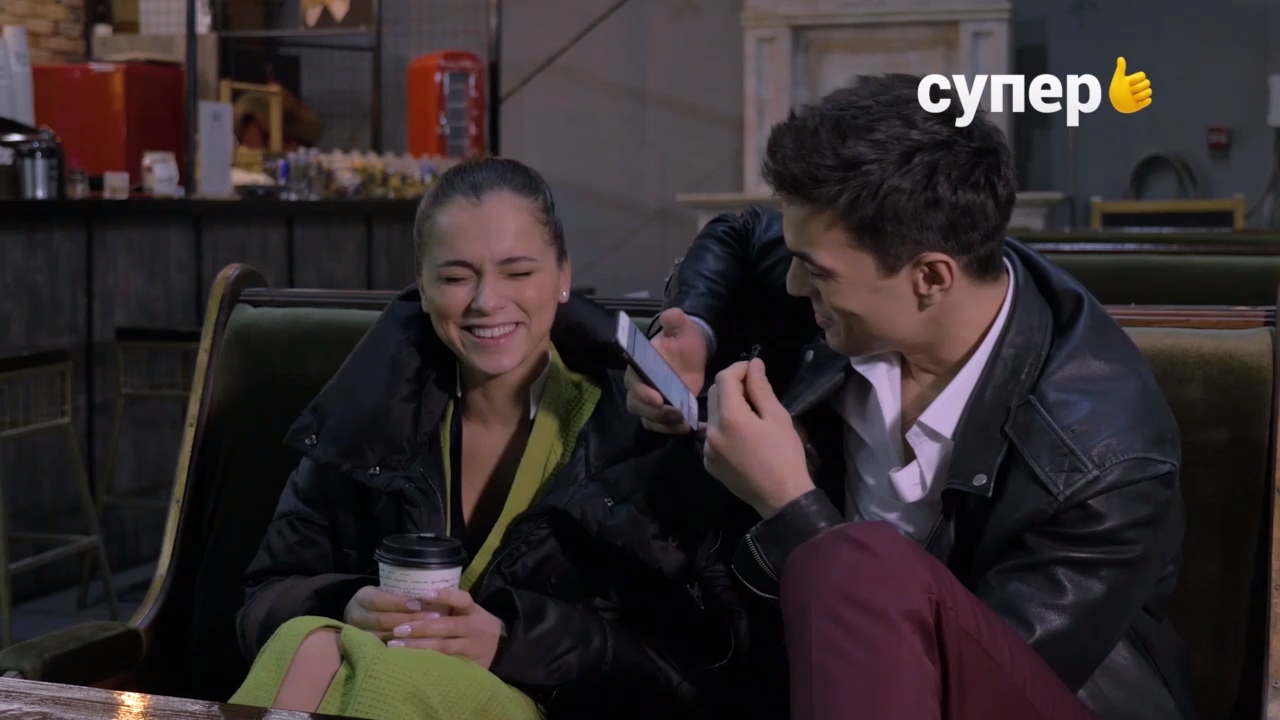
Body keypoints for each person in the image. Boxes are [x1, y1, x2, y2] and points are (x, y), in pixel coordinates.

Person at [625, 74, 1195, 720]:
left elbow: (972, 688)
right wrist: (694, 332)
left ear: (930, 278)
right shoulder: (873, 249)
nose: (792, 285)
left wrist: (790, 507)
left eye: (816, 271)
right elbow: (738, 233)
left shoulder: (1107, 462)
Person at [230, 157, 745, 720]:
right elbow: (265, 598)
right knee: (307, 641)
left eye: (518, 273)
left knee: (387, 675)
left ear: (564, 275)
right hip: (377, 687)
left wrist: (508, 640)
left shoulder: (639, 431)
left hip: (561, 705)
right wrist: (345, 604)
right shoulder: (366, 413)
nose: (486, 301)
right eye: (456, 278)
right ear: (423, 286)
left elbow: (691, 670)